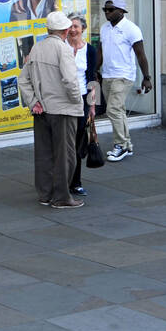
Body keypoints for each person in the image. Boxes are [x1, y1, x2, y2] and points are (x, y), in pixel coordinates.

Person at [19, 10, 85, 209]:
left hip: (42, 110)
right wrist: (77, 102)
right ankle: (62, 197)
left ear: (49, 29)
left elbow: (23, 80)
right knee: (66, 155)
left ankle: (45, 194)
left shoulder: (37, 48)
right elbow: (70, 80)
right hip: (63, 109)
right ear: (65, 30)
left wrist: (33, 102)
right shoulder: (63, 49)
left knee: (44, 154)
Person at [99, 0, 152, 162]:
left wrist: (146, 77)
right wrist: (94, 69)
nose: (107, 12)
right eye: (105, 9)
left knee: (113, 110)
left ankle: (120, 145)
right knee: (119, 110)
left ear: (121, 11)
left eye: (111, 9)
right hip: (107, 74)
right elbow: (101, 51)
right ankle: (127, 145)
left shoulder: (131, 29)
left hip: (123, 75)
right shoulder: (104, 28)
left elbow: (141, 55)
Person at [65, 13, 101, 196]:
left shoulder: (90, 50)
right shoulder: (61, 47)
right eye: (70, 26)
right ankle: (62, 180)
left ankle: (76, 182)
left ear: (83, 29)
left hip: (81, 100)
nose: (72, 30)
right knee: (64, 142)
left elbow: (92, 78)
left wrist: (92, 107)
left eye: (76, 26)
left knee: (78, 141)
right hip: (62, 100)